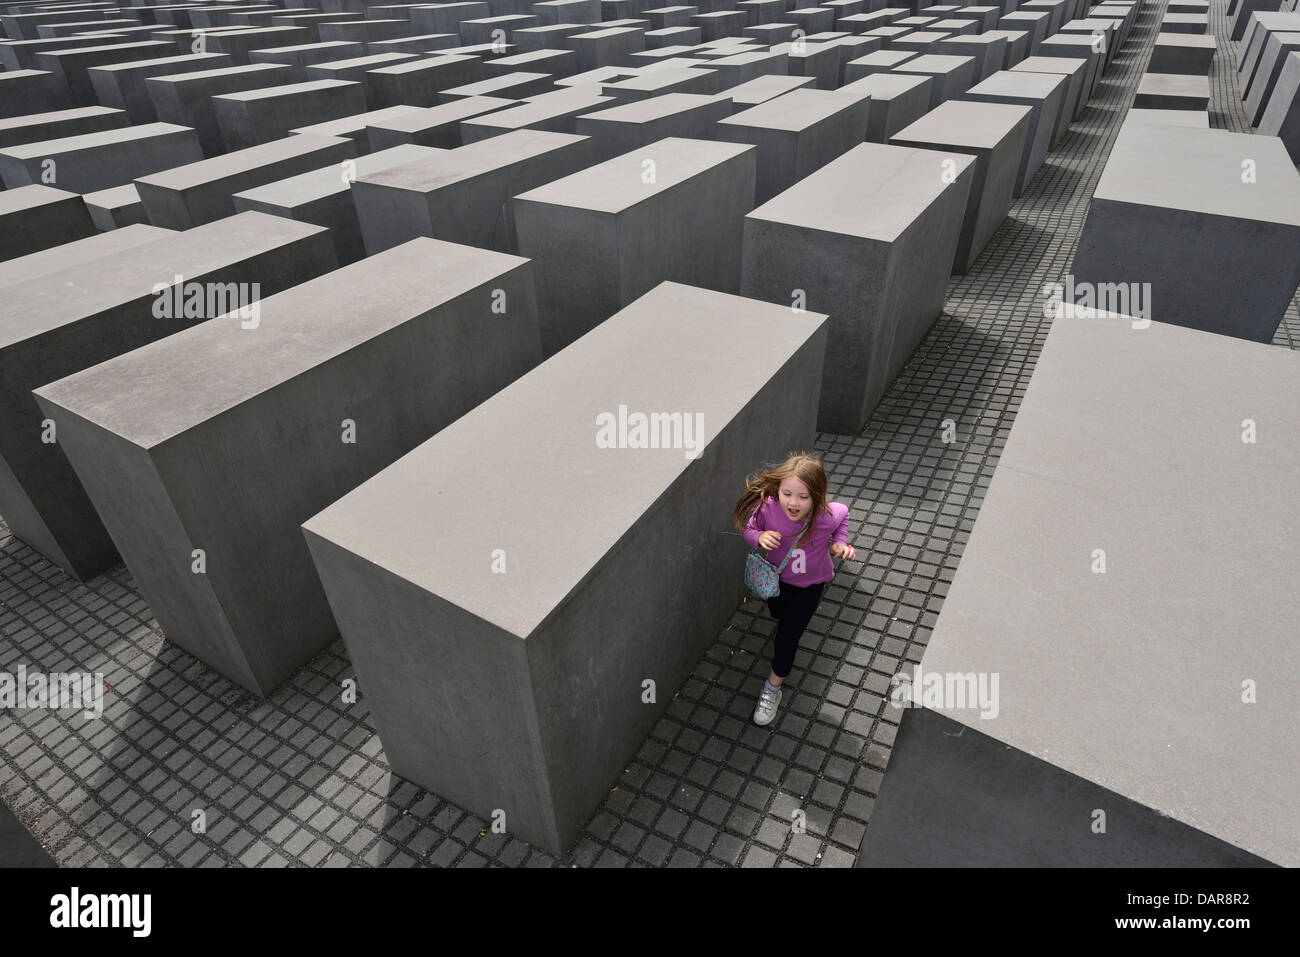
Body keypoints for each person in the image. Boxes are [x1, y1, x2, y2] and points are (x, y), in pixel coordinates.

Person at [733, 452, 856, 727]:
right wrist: (759, 537)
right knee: (777, 613)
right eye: (787, 493)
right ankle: (782, 624)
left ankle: (773, 688)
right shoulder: (768, 508)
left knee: (787, 638)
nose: (793, 503)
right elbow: (748, 529)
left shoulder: (826, 516)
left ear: (817, 496)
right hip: (776, 583)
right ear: (778, 490)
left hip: (809, 588)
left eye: (803, 497)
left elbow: (844, 513)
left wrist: (840, 542)